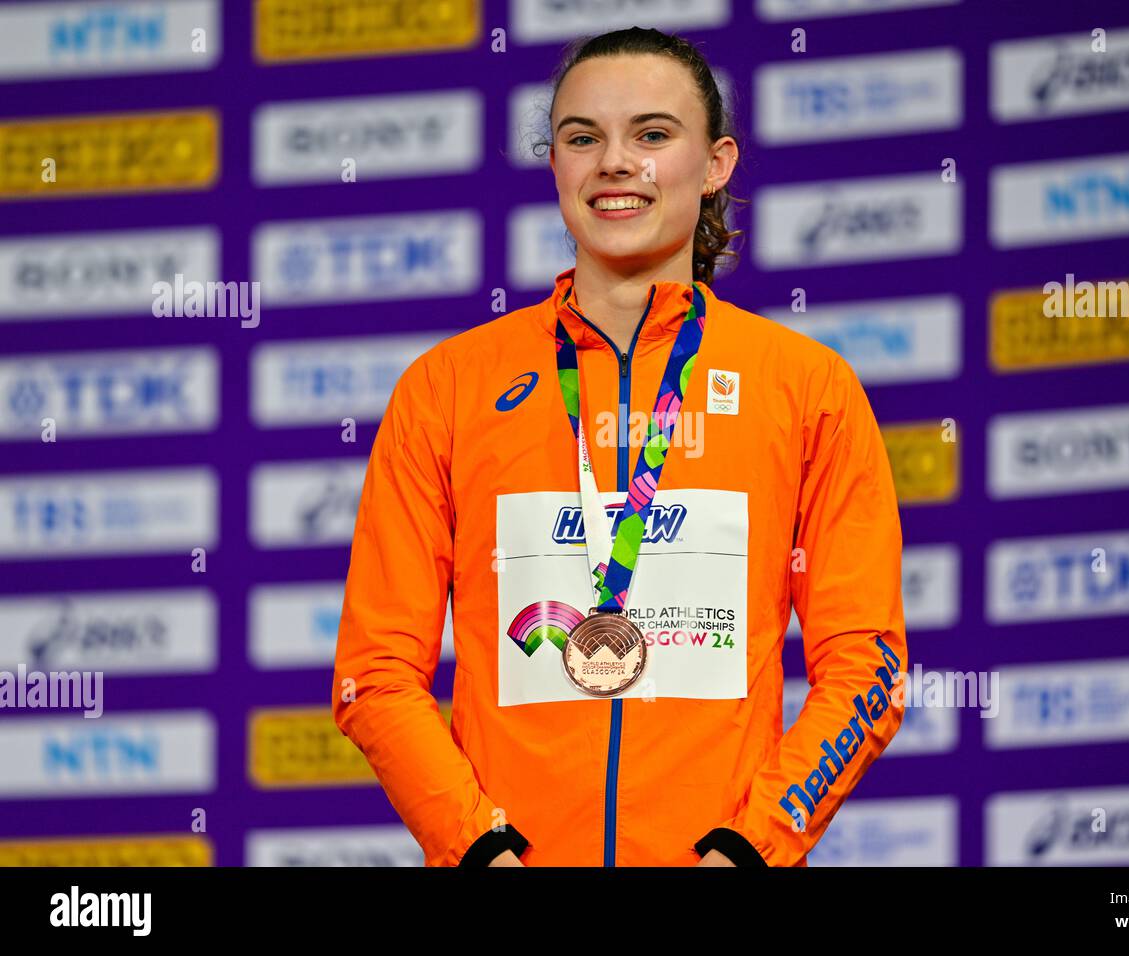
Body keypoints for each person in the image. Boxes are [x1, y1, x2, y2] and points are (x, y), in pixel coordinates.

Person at [332, 26, 907, 868]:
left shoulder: (806, 388)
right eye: (581, 138)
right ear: (555, 165)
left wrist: (752, 849)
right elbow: (375, 675)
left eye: (651, 134)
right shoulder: (446, 389)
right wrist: (476, 848)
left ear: (715, 165)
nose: (614, 162)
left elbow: (867, 668)